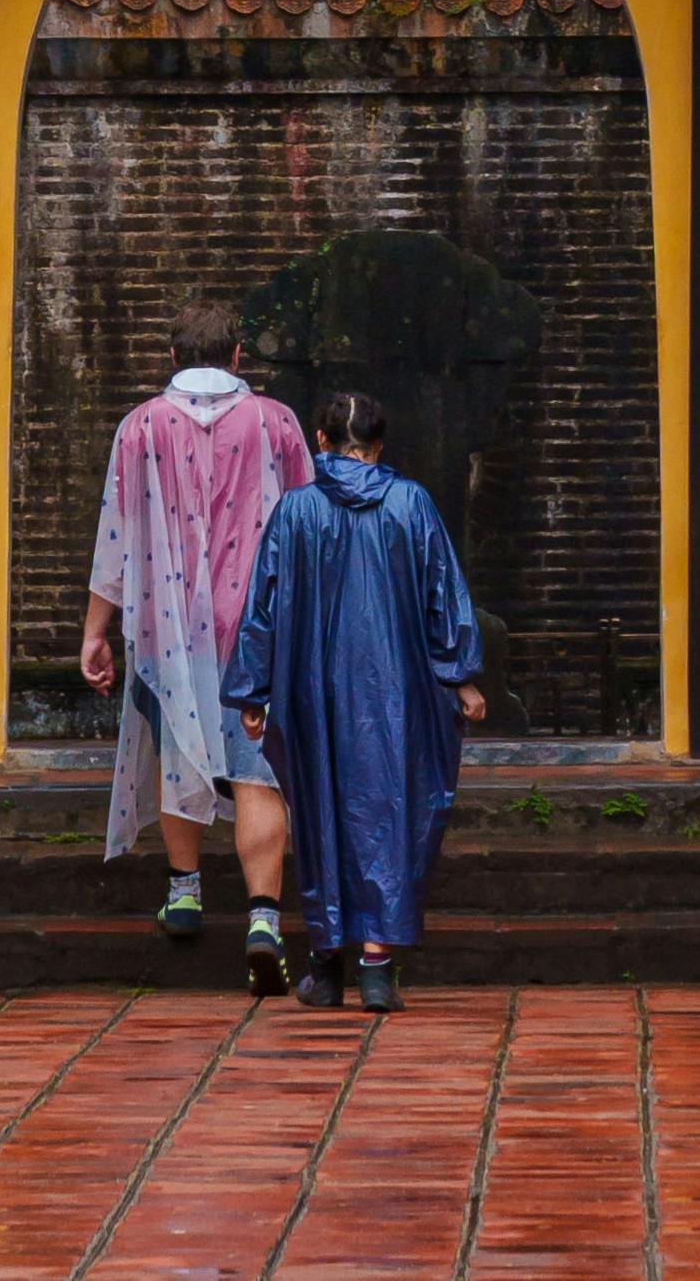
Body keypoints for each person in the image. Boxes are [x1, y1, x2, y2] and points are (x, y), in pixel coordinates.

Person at [221, 385, 486, 1011]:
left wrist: (252, 692)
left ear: (320, 441)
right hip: (398, 696)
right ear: (379, 443)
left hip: (312, 693)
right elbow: (444, 599)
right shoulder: (412, 504)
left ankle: (325, 963)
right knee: (392, 816)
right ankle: (376, 964)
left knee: (319, 815)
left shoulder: (295, 513)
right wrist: (462, 677)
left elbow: (261, 609)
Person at [78, 298, 312, 989]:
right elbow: (305, 521)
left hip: (167, 619)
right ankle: (264, 914)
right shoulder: (276, 423)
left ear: (173, 358)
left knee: (178, 746)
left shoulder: (142, 426)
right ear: (238, 356)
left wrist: (95, 630)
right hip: (258, 624)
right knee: (256, 765)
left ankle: (185, 892)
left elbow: (116, 533)